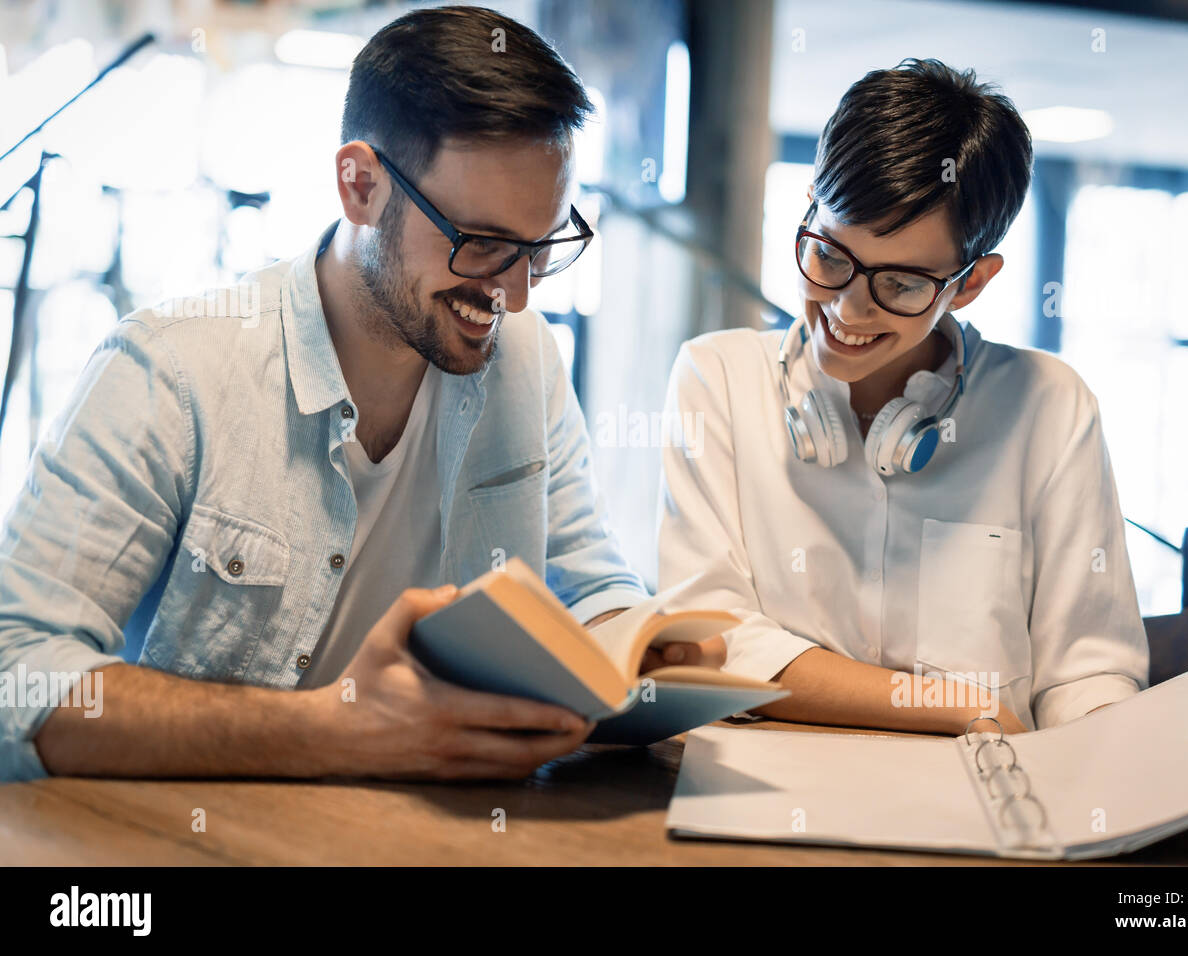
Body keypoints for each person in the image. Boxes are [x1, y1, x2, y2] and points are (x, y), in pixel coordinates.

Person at [0, 6, 718, 784]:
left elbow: (587, 585)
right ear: (361, 185)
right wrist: (338, 731)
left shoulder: (528, 364)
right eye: (480, 244)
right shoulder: (170, 373)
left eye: (541, 249)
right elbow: (17, 678)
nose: (515, 293)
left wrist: (639, 643)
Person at [657, 58, 1148, 736]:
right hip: (767, 804)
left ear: (970, 284)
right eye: (829, 256)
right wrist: (959, 706)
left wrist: (1106, 771)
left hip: (981, 809)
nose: (848, 309)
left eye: (903, 284)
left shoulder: (1049, 407)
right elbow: (710, 644)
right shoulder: (717, 379)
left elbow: (1088, 671)